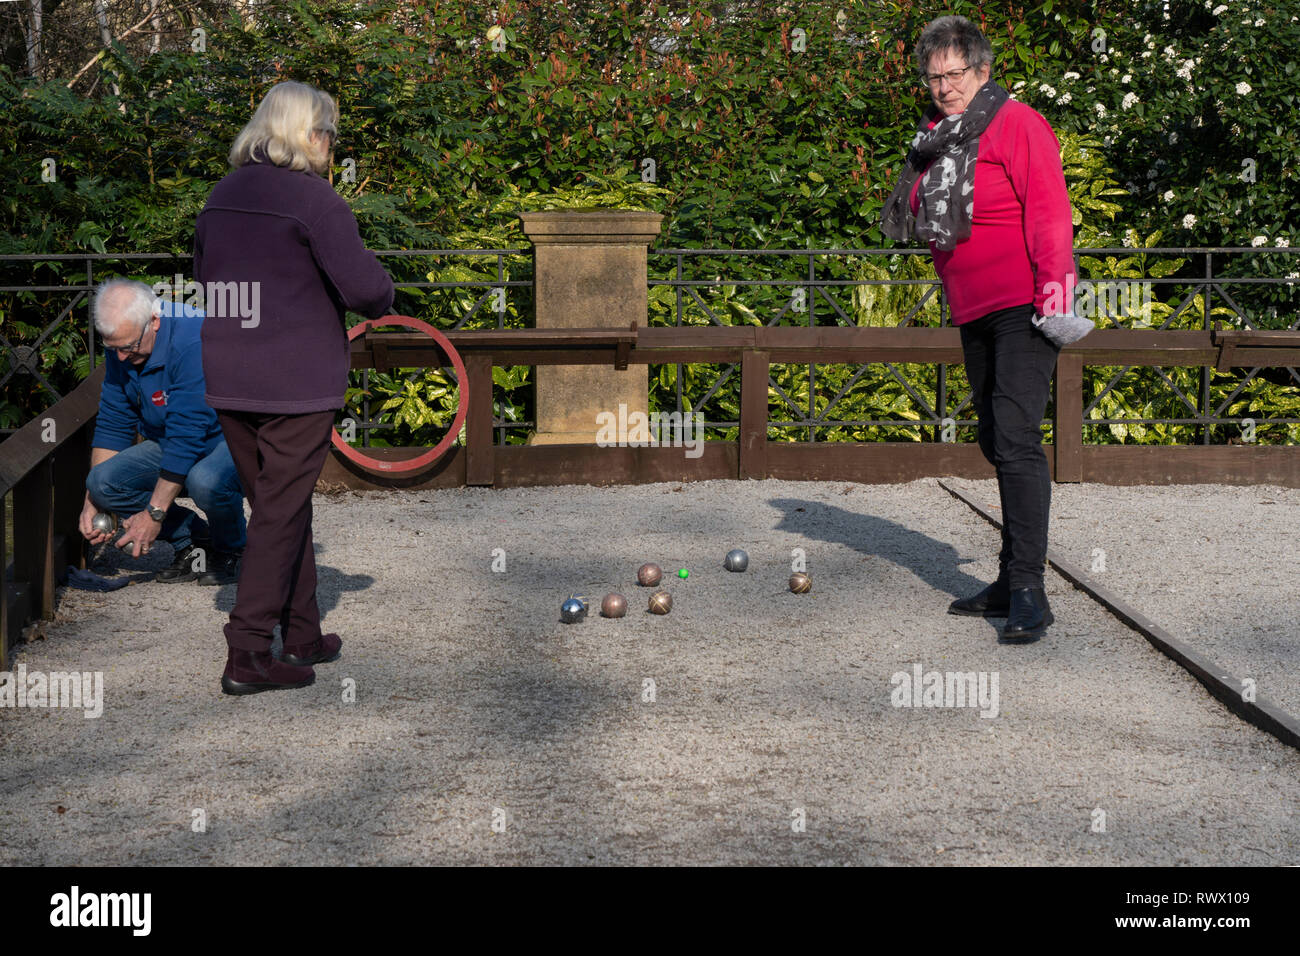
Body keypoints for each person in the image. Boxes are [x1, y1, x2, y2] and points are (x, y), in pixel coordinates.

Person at [881, 15, 1093, 643]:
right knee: (995, 436)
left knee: (1017, 435)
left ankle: (1029, 588)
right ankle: (1008, 577)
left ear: (981, 71)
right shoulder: (937, 136)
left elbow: (1051, 212)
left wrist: (1054, 297)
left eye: (953, 74)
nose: (942, 86)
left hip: (1024, 303)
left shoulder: (1018, 123)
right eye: (933, 75)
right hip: (972, 306)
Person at [194, 80, 395, 694]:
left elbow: (207, 279)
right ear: (308, 134)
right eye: (329, 133)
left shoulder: (219, 197)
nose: (332, 146)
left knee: (278, 507)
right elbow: (368, 292)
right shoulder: (316, 201)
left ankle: (302, 632)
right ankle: (248, 653)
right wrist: (382, 286)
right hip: (296, 381)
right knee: (280, 512)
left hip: (230, 377)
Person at [80, 279, 246, 585]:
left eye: (128, 347)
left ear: (154, 321)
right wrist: (94, 500)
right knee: (101, 482)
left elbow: (188, 434)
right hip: (170, 438)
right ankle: (196, 540)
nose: (120, 358)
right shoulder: (125, 344)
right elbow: (113, 422)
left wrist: (153, 515)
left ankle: (234, 549)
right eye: (112, 348)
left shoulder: (193, 339)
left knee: (205, 481)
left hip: (228, 436)